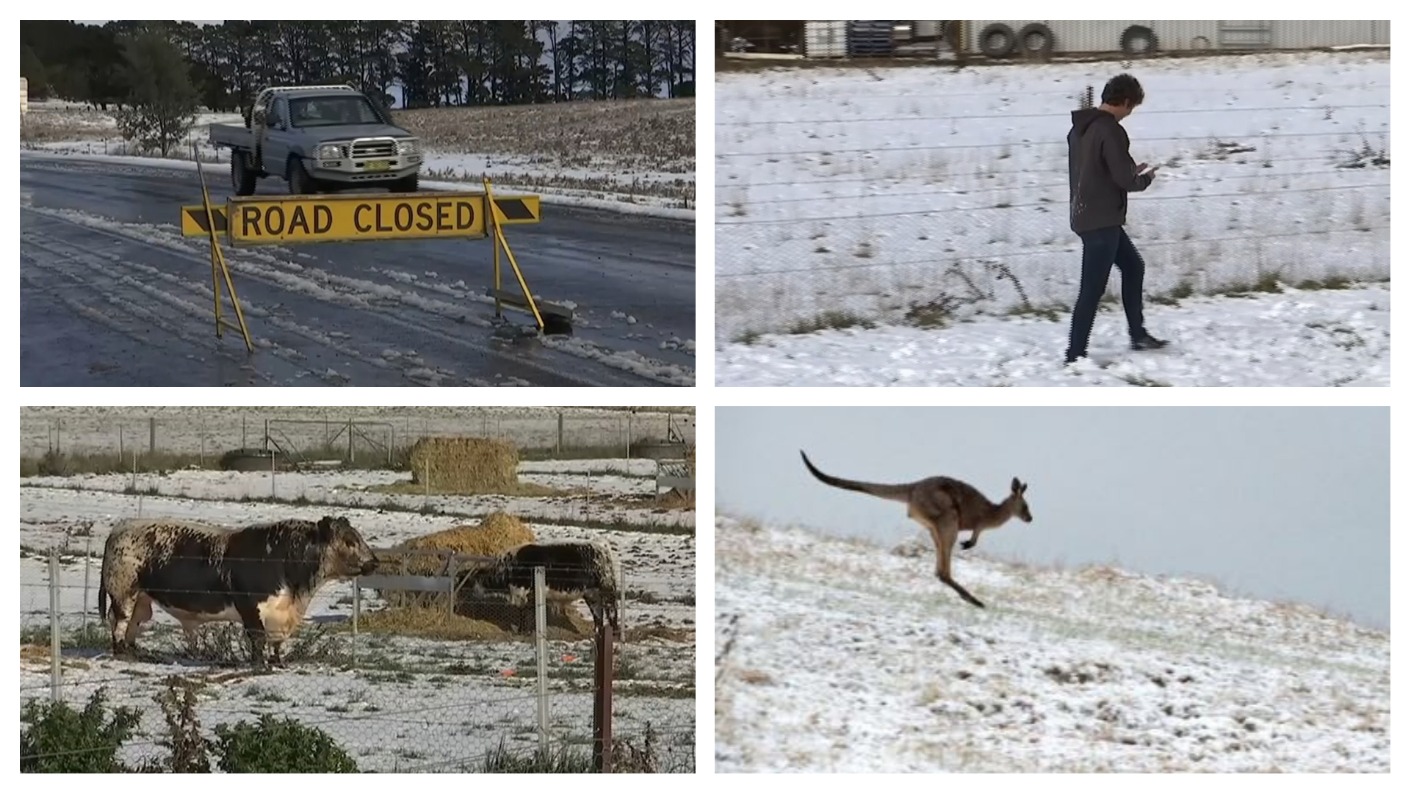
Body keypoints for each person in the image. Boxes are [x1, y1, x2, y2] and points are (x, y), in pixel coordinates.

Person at [1065, 73, 1168, 365]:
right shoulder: (1111, 130)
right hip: (1102, 219)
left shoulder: (1081, 128)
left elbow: (1097, 168)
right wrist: (1144, 178)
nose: (1129, 113)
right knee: (1092, 289)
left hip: (1085, 213)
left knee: (1133, 267)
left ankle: (1138, 334)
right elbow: (1124, 180)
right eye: (1131, 107)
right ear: (1124, 102)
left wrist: (1128, 167)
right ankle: (1075, 355)